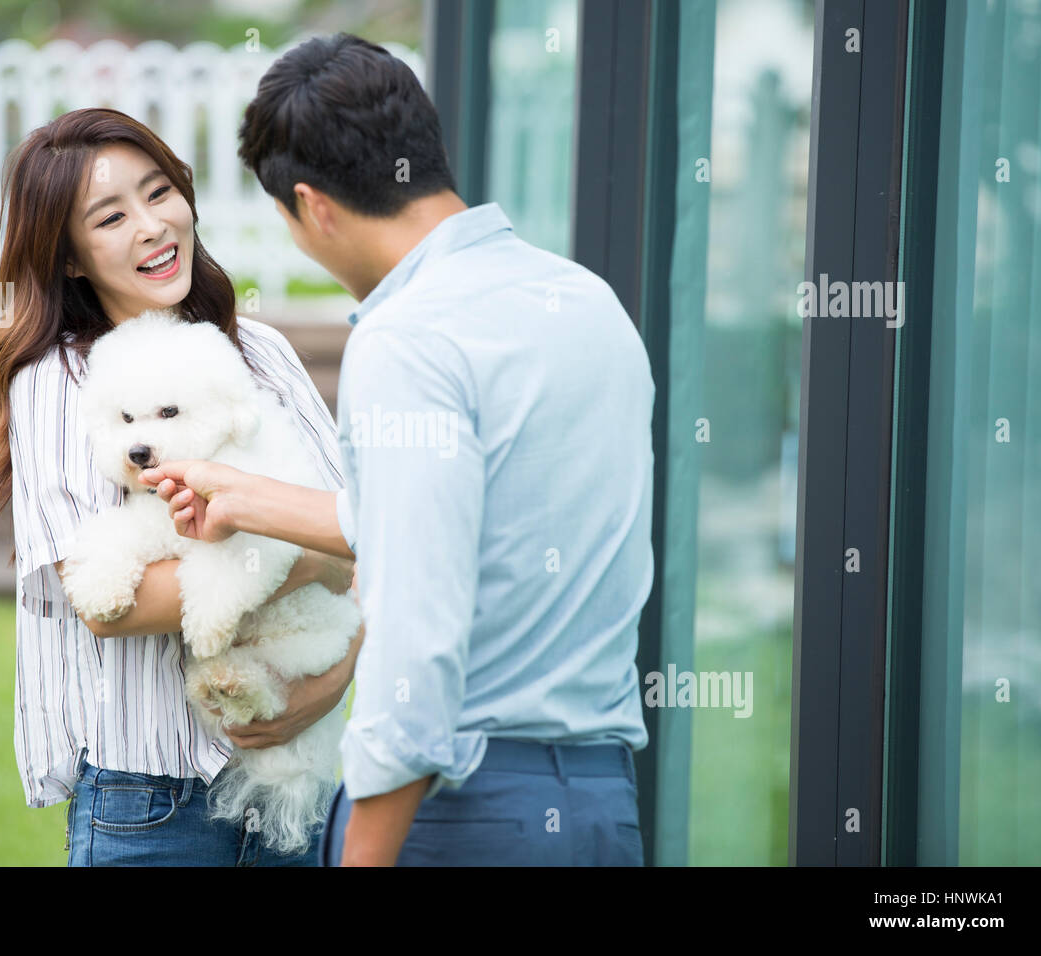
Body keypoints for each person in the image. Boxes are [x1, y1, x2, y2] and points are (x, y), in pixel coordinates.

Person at [140, 33, 655, 866]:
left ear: (312, 206)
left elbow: (417, 635)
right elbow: (490, 522)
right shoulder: (586, 302)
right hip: (598, 804)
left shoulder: (406, 339)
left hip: (464, 809)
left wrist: (367, 851)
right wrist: (245, 498)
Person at [0, 107, 359, 866]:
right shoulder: (58, 383)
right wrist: (301, 556)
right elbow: (109, 608)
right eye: (111, 216)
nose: (151, 225)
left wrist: (331, 677)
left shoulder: (263, 355)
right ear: (71, 256)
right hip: (152, 808)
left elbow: (369, 539)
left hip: (297, 788)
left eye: (159, 193)